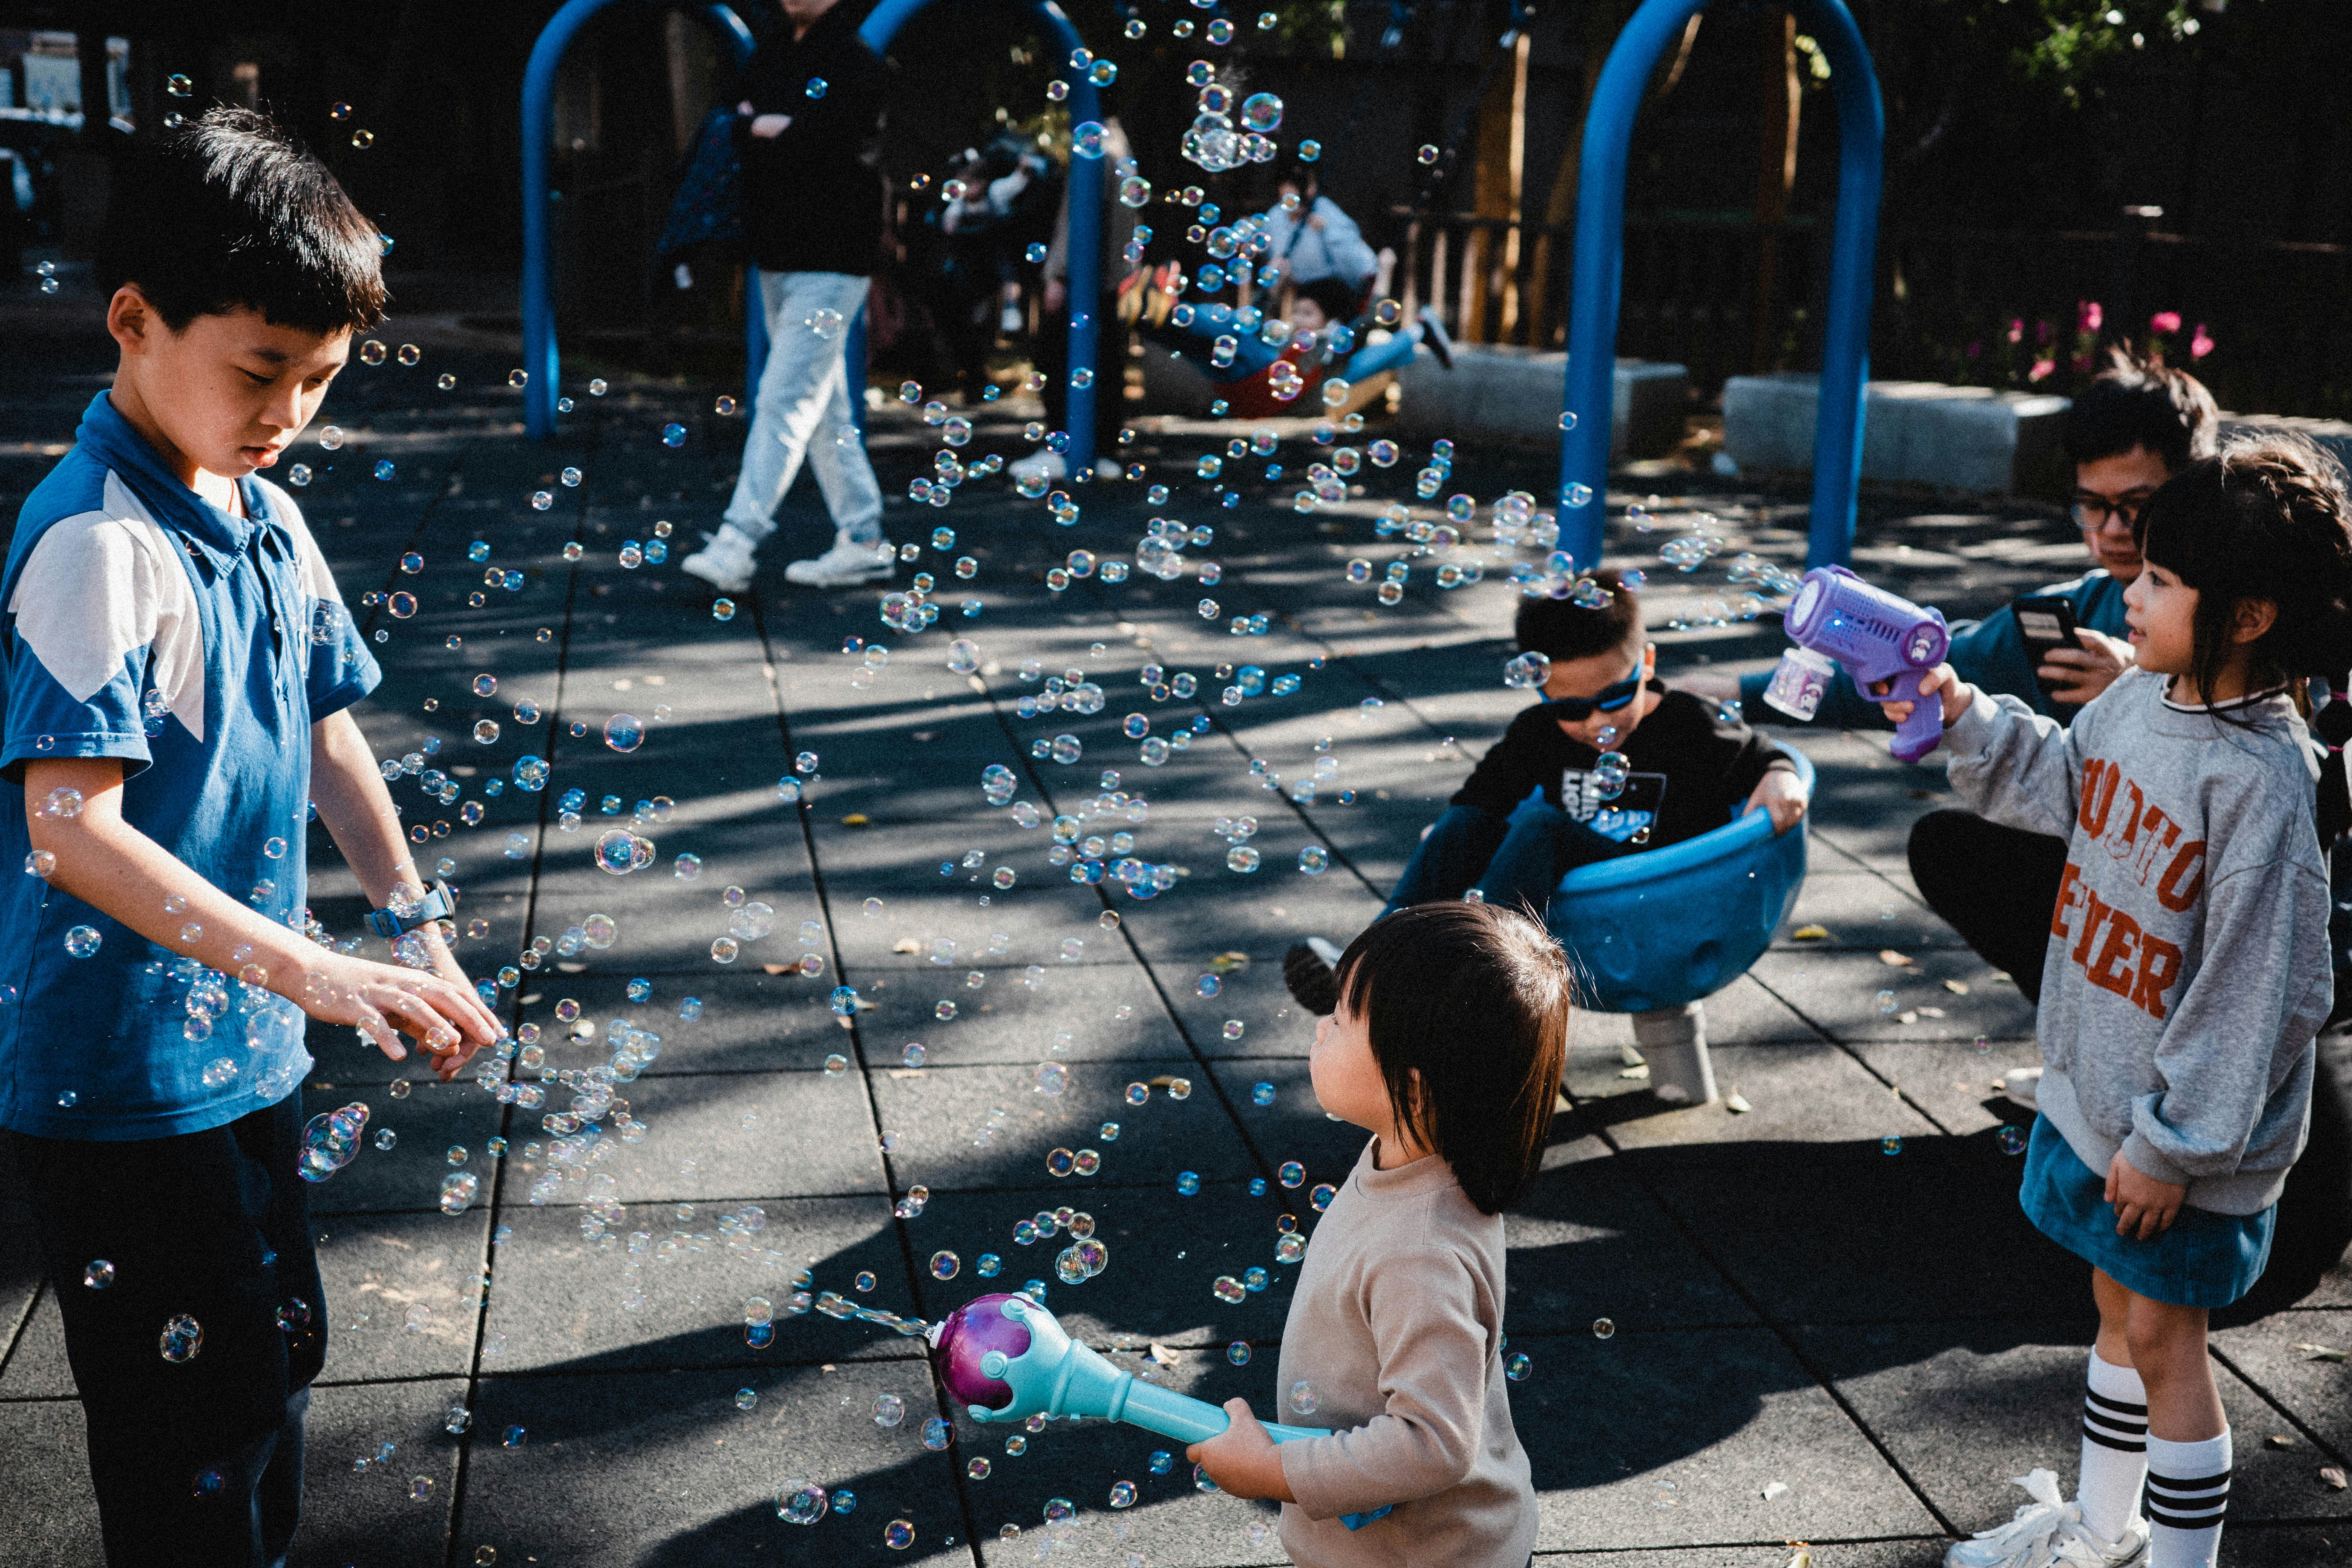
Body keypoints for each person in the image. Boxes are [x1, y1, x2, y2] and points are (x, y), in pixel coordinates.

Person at [0, 108, 504, 1567]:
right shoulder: (101, 544)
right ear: (136, 322)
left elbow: (328, 725)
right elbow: (69, 832)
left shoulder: (263, 511)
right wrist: (314, 969)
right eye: (260, 370)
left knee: (273, 1360)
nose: (289, 407)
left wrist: (408, 922)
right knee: (189, 1433)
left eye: (321, 377)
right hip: (121, 1072)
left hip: (242, 1037)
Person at [1876, 436, 2349, 1568]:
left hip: (2181, 1139)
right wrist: (1957, 712)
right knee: (2113, 1313)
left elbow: (2262, 997)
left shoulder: (2264, 786)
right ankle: (2100, 1530)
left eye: (2160, 581)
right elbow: (2058, 782)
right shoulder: (2143, 702)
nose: (2128, 593)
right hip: (2107, 1097)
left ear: (2246, 617)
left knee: (2167, 1340)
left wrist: (2177, 1144)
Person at [1284, 571, 1807, 1105]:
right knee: (1466, 822)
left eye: (1615, 696)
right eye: (1569, 709)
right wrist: (1452, 839)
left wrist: (1778, 776)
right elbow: (1481, 797)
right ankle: (1372, 963)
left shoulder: (1690, 723)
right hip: (1573, 902)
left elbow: (1763, 755)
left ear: (1646, 665)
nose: (1595, 722)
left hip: (1662, 892)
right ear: (1540, 689)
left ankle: (1481, 974)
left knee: (1541, 827)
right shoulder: (1536, 731)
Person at [1186, 901, 1566, 1567]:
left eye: (1339, 1020)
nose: (1320, 1030)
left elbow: (1432, 1442)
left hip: (1429, 1557)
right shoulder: (1412, 1160)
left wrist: (1273, 1473)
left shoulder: (1420, 1249)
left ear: (1413, 1089)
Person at [681, 0, 895, 594]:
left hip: (833, 262)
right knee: (823, 407)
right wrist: (774, 128)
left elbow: (833, 144)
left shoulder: (857, 63)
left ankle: (736, 542)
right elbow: (738, 123)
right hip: (775, 253)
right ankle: (865, 537)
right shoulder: (772, 55)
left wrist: (779, 129)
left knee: (784, 398)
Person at [1010, 116, 1140, 486]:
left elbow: (1075, 221)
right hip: (1102, 281)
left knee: (1058, 355)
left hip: (1082, 280)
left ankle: (1065, 444)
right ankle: (1097, 448)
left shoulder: (1096, 154)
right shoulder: (1120, 152)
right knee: (1101, 360)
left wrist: (1058, 274)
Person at [1150, 275, 1453, 418]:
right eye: (1296, 312)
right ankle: (1150, 320)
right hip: (1252, 382)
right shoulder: (1289, 340)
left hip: (1265, 385)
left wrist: (1385, 272)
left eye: (1308, 314)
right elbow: (1254, 322)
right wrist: (1272, 287)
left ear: (1328, 318)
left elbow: (1365, 322)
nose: (1298, 319)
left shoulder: (1328, 343)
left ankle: (1170, 309)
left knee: (1233, 336)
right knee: (1205, 349)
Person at [1261, 161, 1378, 295]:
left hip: (1327, 295)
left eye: (1309, 184)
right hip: (1289, 296)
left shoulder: (1325, 211)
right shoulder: (1275, 216)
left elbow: (1363, 267)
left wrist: (1327, 232)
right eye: (1292, 184)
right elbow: (1266, 255)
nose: (1310, 191)